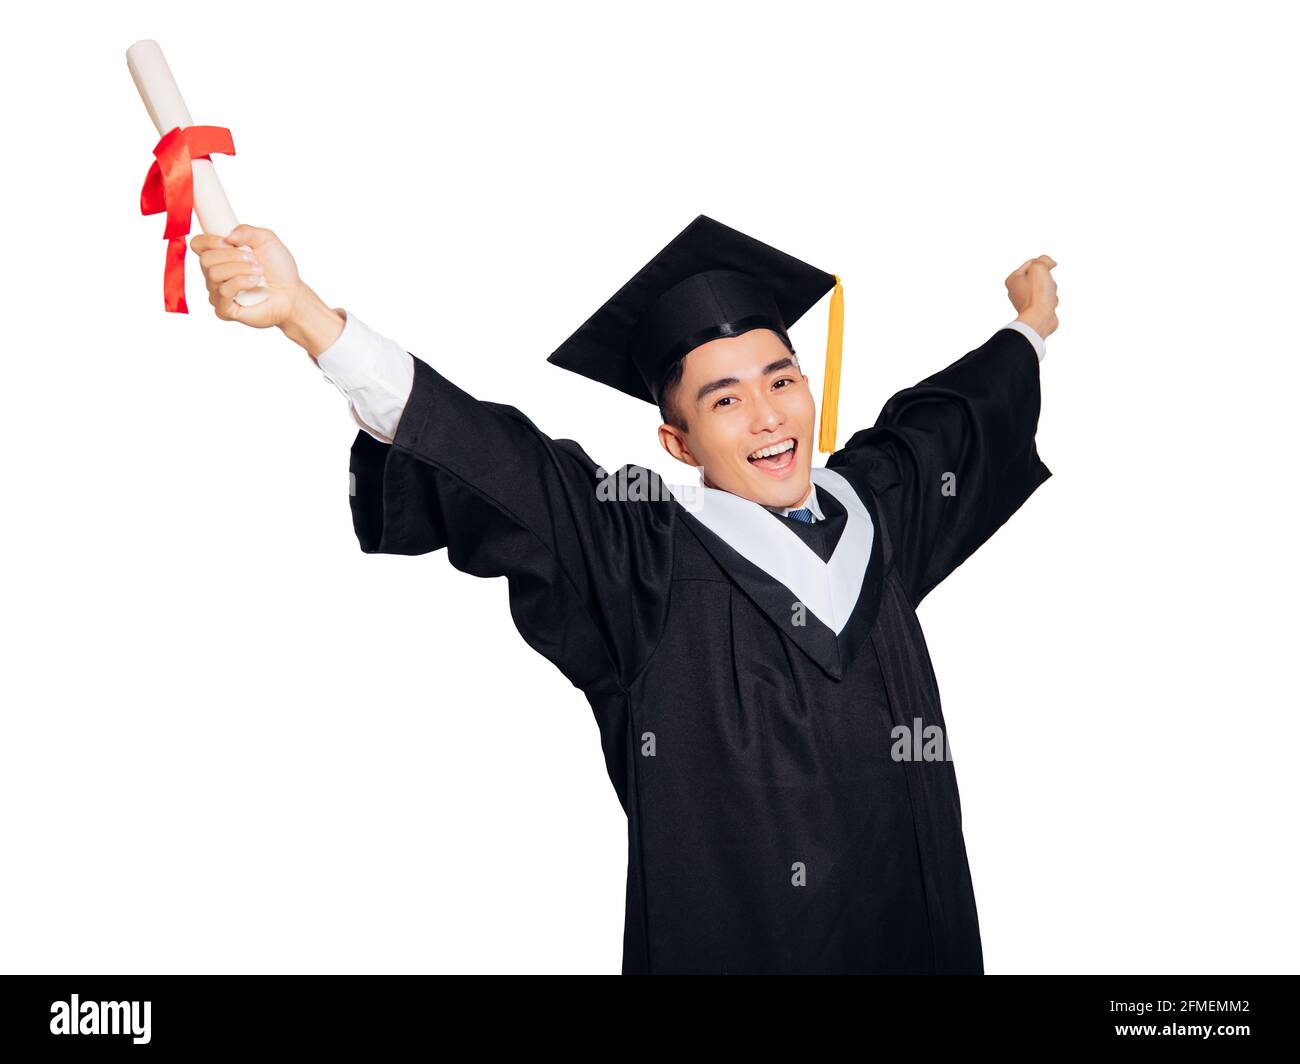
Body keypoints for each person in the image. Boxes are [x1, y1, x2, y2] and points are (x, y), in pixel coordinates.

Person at [190, 214, 1058, 974]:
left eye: (781, 380)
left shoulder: (878, 513)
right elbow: (508, 465)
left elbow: (954, 415)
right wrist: (308, 318)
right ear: (676, 444)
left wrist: (1029, 326)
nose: (767, 416)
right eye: (724, 400)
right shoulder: (637, 561)